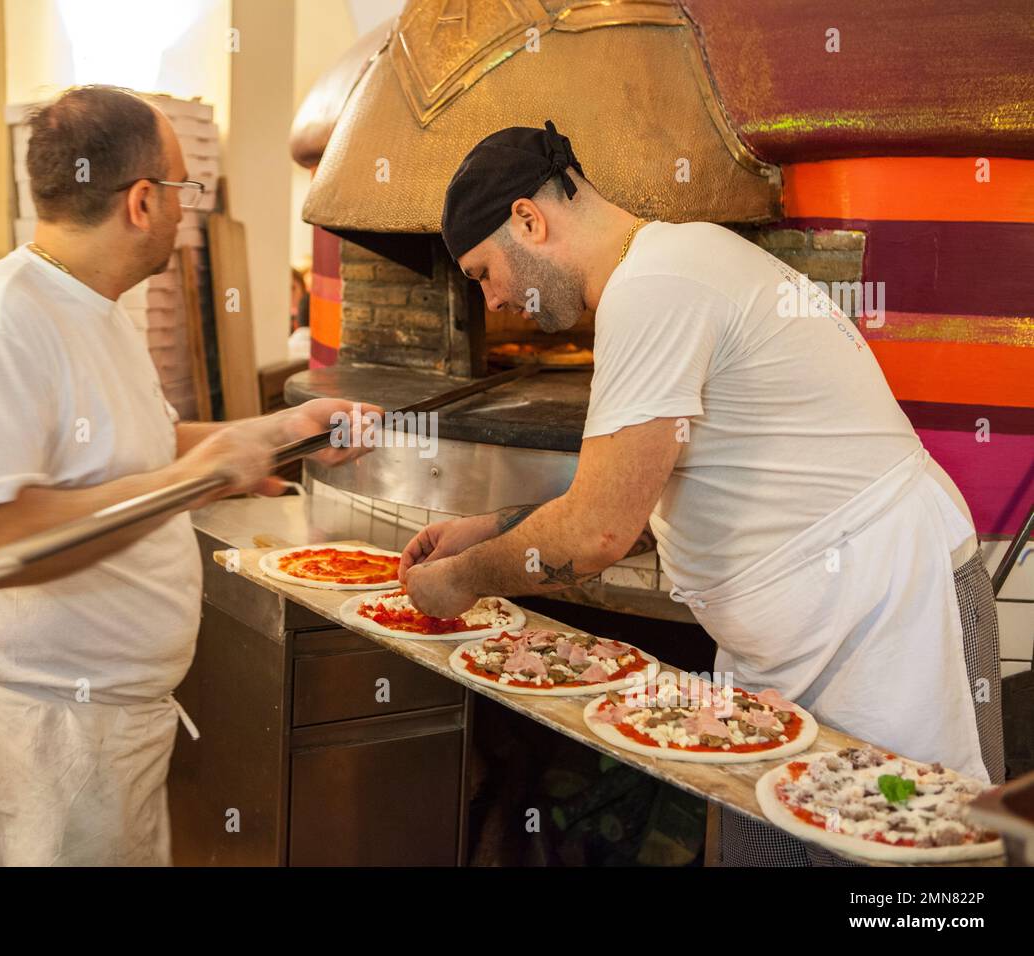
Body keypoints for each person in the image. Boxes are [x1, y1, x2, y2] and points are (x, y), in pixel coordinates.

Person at [398, 120, 1003, 865]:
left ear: (529, 219)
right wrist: (488, 528)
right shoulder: (671, 265)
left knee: (923, 873)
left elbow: (597, 533)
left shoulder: (656, 286)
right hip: (793, 643)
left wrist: (460, 579)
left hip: (890, 616)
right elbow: (641, 497)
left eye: (484, 272)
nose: (491, 302)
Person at [0, 85, 378, 865]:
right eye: (186, 189)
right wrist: (199, 477)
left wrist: (274, 434)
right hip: (33, 750)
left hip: (109, 741)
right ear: (141, 201)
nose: (188, 210)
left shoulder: (98, 309)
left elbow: (144, 448)